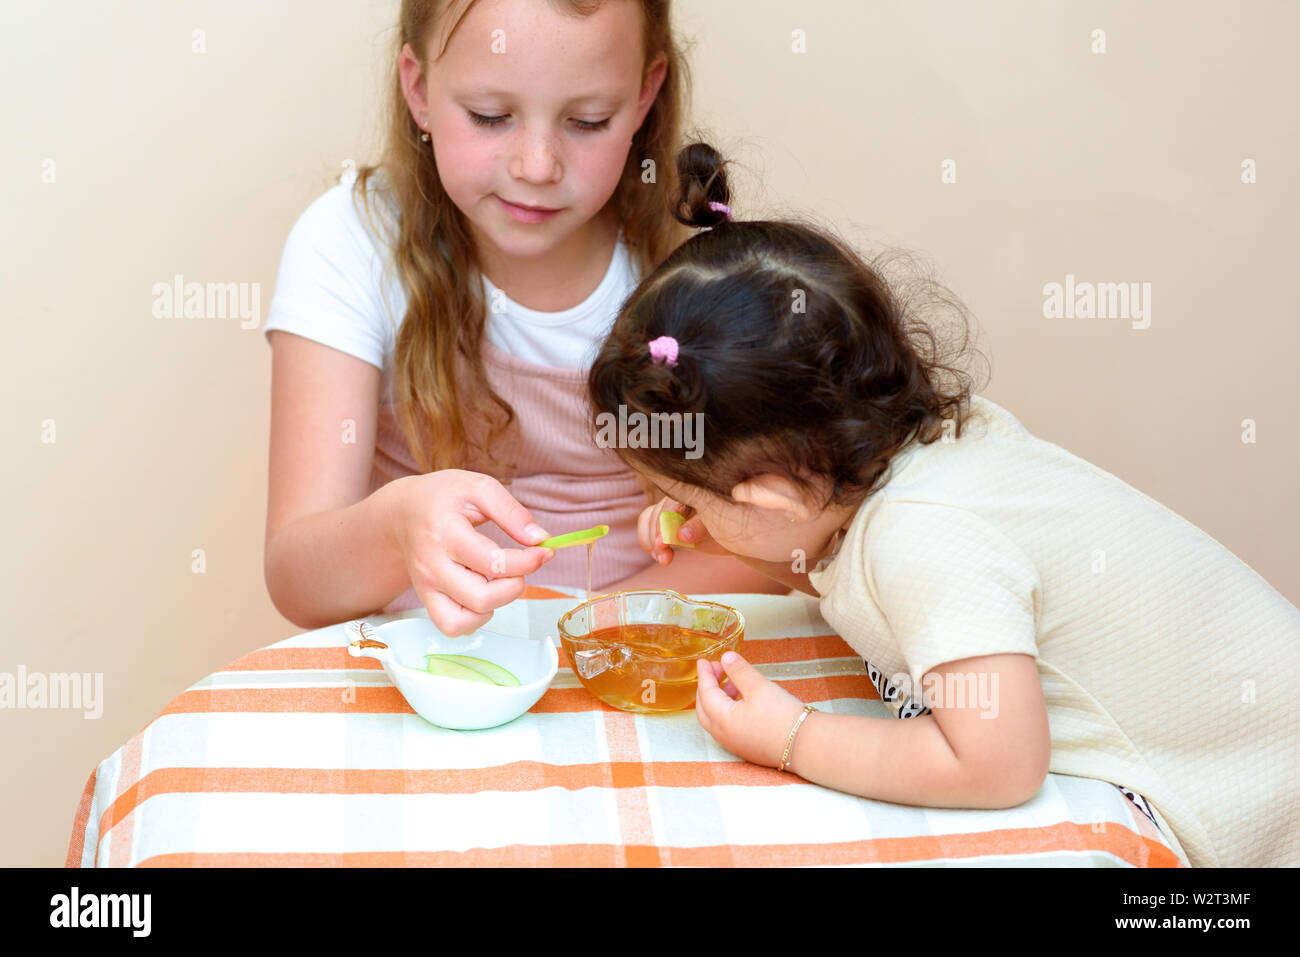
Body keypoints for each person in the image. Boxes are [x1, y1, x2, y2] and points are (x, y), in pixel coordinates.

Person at [588, 140, 1300, 868]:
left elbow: (995, 763)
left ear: (772, 499)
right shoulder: (908, 451)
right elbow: (848, 570)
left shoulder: (925, 538)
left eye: (678, 492)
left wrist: (792, 737)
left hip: (1263, 809)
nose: (677, 511)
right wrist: (725, 530)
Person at [262, 0, 788, 636]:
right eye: (491, 116)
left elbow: (768, 545)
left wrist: (584, 636)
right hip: (430, 671)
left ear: (645, 94)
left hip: (637, 653)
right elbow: (298, 578)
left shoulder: (690, 261)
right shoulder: (353, 241)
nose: (537, 166)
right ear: (420, 88)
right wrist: (396, 530)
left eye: (588, 121)